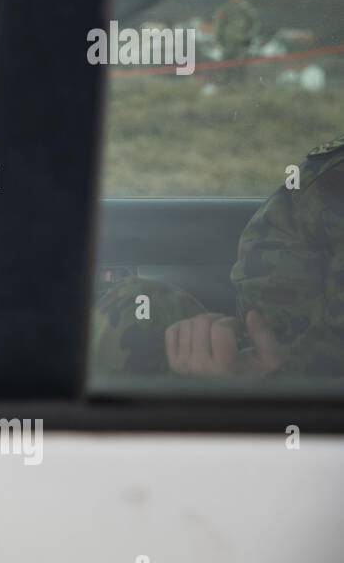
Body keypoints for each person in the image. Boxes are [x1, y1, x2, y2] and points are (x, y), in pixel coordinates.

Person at [91, 133, 344, 380]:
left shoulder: (325, 178)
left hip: (300, 403)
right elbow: (270, 331)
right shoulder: (325, 180)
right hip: (287, 387)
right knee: (138, 308)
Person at [212, 0, 260, 85]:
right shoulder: (224, 9)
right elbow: (218, 25)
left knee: (240, 65)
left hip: (242, 42)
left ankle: (239, 85)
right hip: (228, 42)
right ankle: (224, 85)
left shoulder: (247, 9)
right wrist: (218, 40)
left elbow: (255, 24)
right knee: (226, 65)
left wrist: (249, 36)